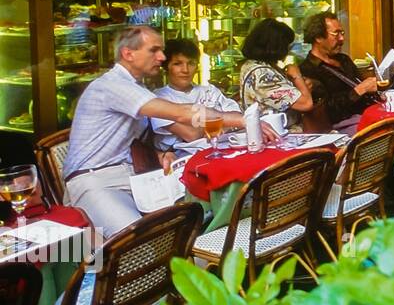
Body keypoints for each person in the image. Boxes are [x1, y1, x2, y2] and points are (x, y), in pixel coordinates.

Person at [63, 26, 269, 236]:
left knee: (194, 219)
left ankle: (218, 256)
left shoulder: (138, 89)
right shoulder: (112, 85)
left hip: (134, 177)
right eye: (154, 50)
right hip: (95, 181)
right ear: (128, 53)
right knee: (143, 244)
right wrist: (243, 120)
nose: (162, 57)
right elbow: (182, 113)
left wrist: (159, 154)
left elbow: (130, 141)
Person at [150, 38, 241, 154]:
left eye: (191, 63)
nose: (185, 70)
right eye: (178, 64)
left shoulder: (209, 90)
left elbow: (237, 116)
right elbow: (191, 135)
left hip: (220, 149)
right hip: (181, 156)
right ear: (166, 67)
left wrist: (204, 126)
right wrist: (223, 123)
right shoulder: (158, 99)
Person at [298, 12, 380, 133]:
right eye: (336, 34)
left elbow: (359, 84)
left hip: (366, 115)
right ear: (318, 37)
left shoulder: (343, 59)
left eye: (342, 33)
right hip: (339, 127)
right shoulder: (308, 70)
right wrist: (359, 90)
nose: (342, 39)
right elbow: (327, 111)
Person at [238, 19, 318, 130]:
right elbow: (306, 104)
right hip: (279, 134)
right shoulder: (262, 75)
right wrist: (297, 76)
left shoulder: (254, 65)